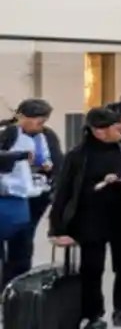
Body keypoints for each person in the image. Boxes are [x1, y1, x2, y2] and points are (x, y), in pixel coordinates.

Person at [47, 107, 121, 328]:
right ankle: (93, 314)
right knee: (92, 268)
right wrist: (56, 229)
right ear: (99, 131)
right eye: (115, 127)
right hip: (90, 221)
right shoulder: (78, 156)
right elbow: (63, 192)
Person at [0, 98, 63, 286]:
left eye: (43, 121)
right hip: (8, 195)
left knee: (24, 243)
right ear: (21, 116)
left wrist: (48, 173)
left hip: (34, 196)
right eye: (37, 120)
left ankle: (16, 287)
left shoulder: (46, 136)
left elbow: (57, 162)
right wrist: (19, 158)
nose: (40, 125)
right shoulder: (7, 133)